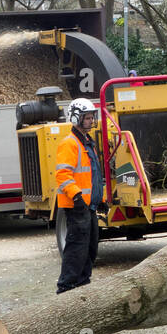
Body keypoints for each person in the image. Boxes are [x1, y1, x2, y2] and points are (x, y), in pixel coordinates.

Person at [56, 98, 105, 293]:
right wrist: (76, 196)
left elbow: (92, 176)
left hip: (88, 206)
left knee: (90, 248)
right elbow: (63, 174)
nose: (92, 120)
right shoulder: (70, 143)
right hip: (76, 206)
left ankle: (83, 286)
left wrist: (99, 200)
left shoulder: (88, 143)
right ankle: (66, 287)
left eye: (92, 117)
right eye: (88, 117)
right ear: (76, 117)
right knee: (77, 248)